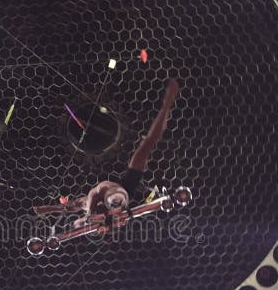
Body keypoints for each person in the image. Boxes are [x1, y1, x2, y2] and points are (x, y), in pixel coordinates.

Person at [43, 79, 180, 226]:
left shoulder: (94, 199)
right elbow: (77, 205)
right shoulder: (122, 193)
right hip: (126, 195)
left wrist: (52, 209)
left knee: (146, 146)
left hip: (109, 200)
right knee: (146, 147)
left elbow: (80, 202)